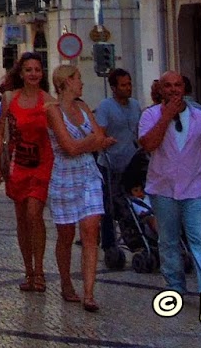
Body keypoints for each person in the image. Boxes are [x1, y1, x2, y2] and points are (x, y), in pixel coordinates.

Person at [137, 71, 201, 302]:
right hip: (163, 189)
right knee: (168, 240)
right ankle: (175, 286)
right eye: (168, 86)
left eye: (177, 85)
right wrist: (166, 116)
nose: (173, 90)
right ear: (161, 90)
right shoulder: (150, 116)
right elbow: (148, 145)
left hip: (195, 189)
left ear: (184, 88)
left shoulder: (200, 118)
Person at [46, 63, 114, 312]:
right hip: (64, 176)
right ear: (66, 82)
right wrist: (92, 141)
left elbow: (97, 140)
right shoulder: (52, 111)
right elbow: (69, 147)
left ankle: (89, 293)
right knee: (66, 235)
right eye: (78, 78)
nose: (82, 82)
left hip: (88, 173)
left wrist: (91, 142)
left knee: (90, 231)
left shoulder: (84, 107)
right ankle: (66, 283)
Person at [0, 52, 53, 294]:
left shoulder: (48, 101)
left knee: (34, 214)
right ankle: (28, 270)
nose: (33, 74)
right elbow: (0, 132)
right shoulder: (9, 98)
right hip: (17, 163)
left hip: (42, 163)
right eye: (29, 70)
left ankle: (40, 271)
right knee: (22, 219)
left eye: (37, 69)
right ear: (21, 73)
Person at [94, 67, 141, 266]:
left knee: (133, 205)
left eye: (129, 84)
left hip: (131, 164)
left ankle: (137, 240)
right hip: (109, 164)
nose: (128, 88)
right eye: (123, 85)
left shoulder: (135, 105)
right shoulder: (105, 107)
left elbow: (139, 131)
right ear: (114, 88)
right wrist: (105, 142)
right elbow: (99, 133)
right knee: (109, 207)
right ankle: (109, 245)